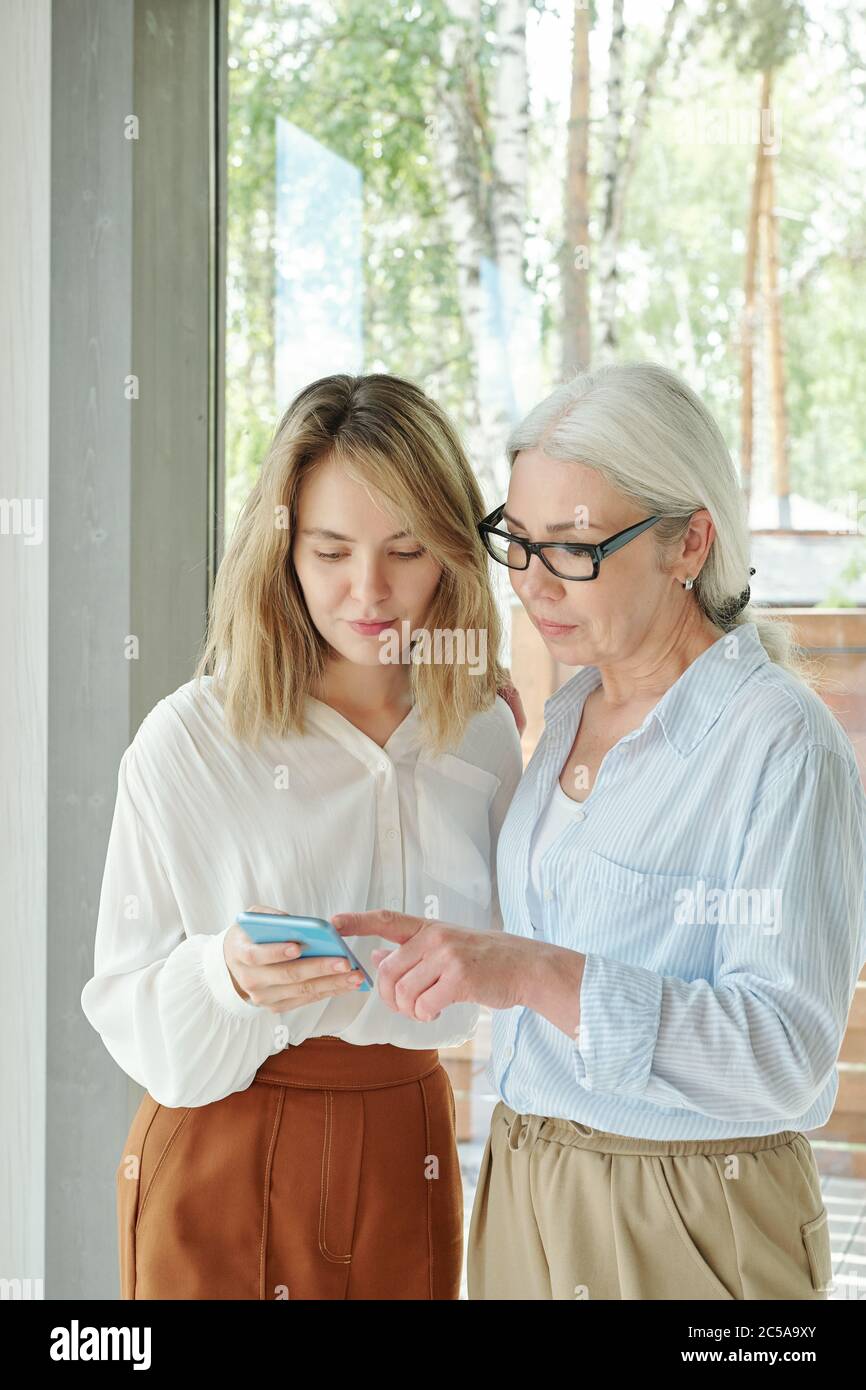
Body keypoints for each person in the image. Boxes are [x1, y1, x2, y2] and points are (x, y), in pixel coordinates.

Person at [333, 360, 866, 1301]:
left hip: (694, 1215)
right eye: (520, 542)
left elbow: (785, 1056)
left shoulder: (780, 745)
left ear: (689, 542)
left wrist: (533, 972)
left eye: (575, 548)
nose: (536, 586)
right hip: (524, 1181)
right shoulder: (569, 711)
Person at [81, 372, 523, 1300]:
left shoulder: (481, 732)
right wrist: (227, 975)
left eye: (407, 550)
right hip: (222, 1145)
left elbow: (519, 946)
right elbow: (122, 996)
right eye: (330, 551)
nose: (370, 591)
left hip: (410, 1144)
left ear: (450, 549)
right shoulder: (193, 740)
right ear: (280, 553)